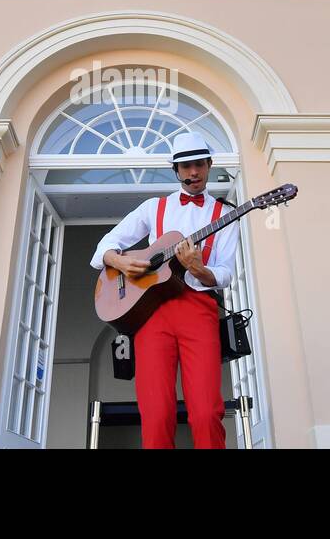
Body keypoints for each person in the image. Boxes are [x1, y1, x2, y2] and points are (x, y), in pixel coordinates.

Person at [90, 132, 237, 449]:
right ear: (176, 170)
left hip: (198, 310)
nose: (193, 173)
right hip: (152, 313)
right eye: (185, 167)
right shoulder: (153, 208)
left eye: (199, 164)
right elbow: (105, 246)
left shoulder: (225, 214)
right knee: (155, 412)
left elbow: (225, 273)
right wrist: (120, 261)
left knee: (207, 411)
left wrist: (198, 268)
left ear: (210, 165)